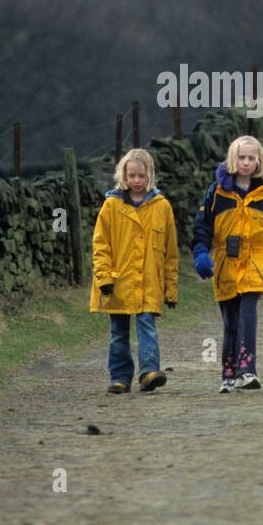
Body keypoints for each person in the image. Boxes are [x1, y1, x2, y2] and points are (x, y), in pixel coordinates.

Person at [192, 134, 263, 392]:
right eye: (241, 157)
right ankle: (229, 374)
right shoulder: (216, 192)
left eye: (251, 157)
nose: (246, 162)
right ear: (233, 159)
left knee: (248, 315)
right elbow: (202, 226)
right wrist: (200, 252)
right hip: (224, 266)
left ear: (259, 160)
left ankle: (248, 370)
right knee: (230, 322)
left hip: (255, 264)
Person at [89, 148, 178, 393]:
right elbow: (100, 245)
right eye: (132, 176)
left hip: (150, 282)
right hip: (118, 282)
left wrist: (170, 289)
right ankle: (119, 377)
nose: (137, 181)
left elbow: (171, 252)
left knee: (147, 326)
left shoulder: (162, 207)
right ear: (123, 176)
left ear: (150, 175)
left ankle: (149, 371)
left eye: (142, 176)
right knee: (118, 333)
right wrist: (104, 278)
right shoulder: (111, 206)